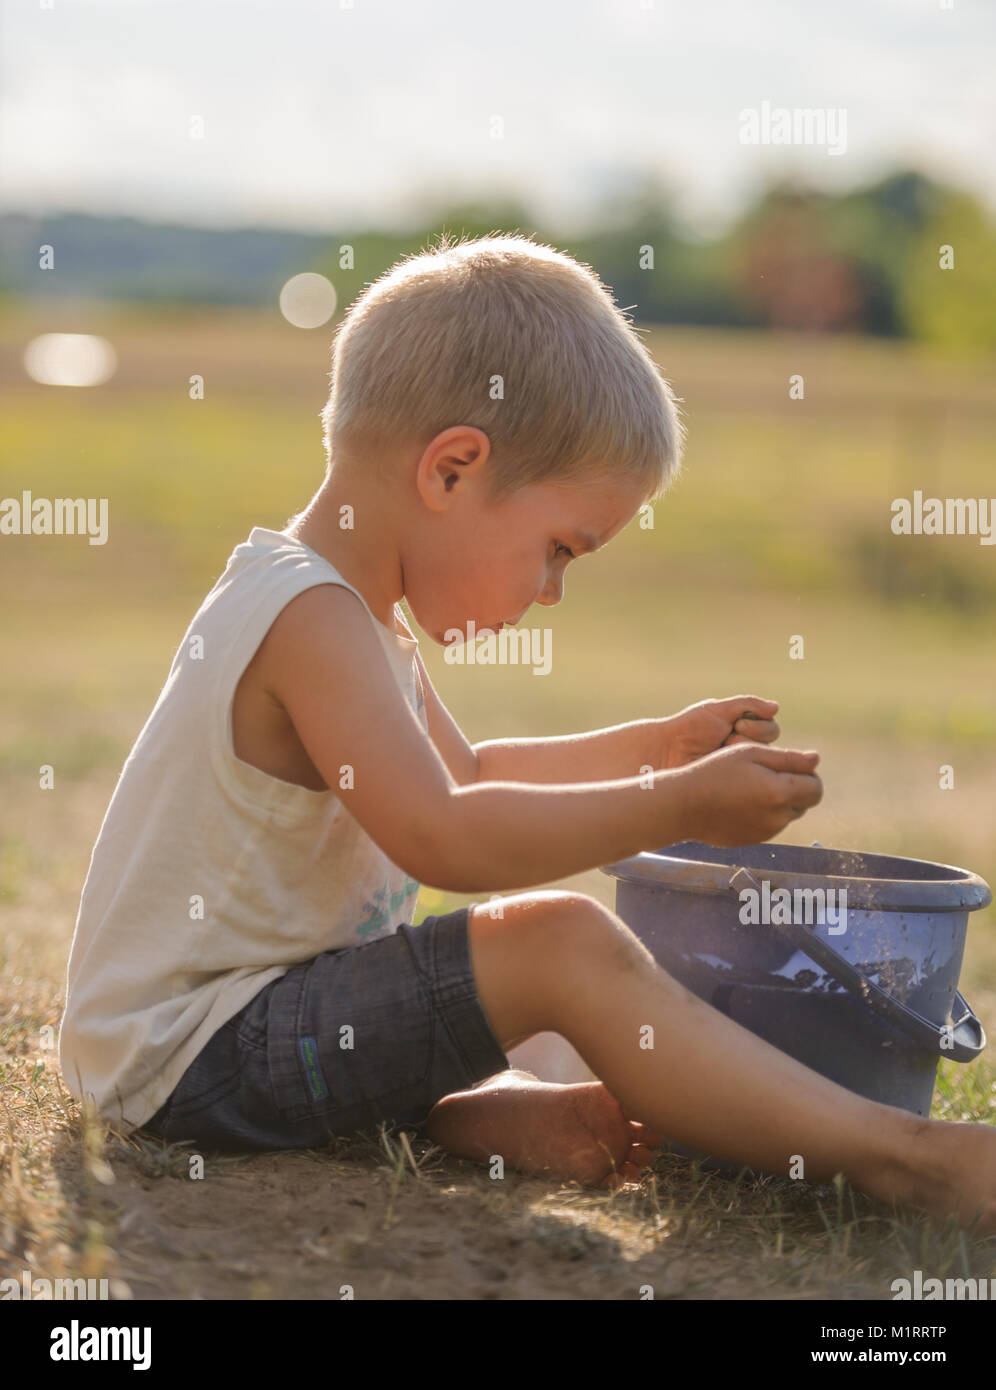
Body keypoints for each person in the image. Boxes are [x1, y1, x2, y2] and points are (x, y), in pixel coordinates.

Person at [59, 233, 995, 1234]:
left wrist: (655, 748)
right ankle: (902, 1160)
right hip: (193, 1061)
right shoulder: (311, 618)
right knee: (558, 942)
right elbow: (447, 836)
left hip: (272, 1024)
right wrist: (676, 804)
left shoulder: (352, 617)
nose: (551, 592)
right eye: (558, 551)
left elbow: (468, 774)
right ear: (454, 469)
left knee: (557, 988)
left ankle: (478, 1113)